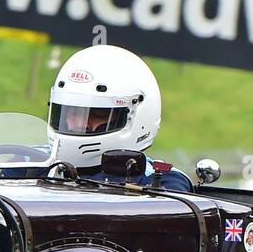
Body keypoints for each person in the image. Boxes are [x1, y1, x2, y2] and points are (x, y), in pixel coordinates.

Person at [45, 45, 195, 191]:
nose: (78, 124)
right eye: (72, 113)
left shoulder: (163, 181)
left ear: (137, 116)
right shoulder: (39, 165)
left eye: (98, 115)